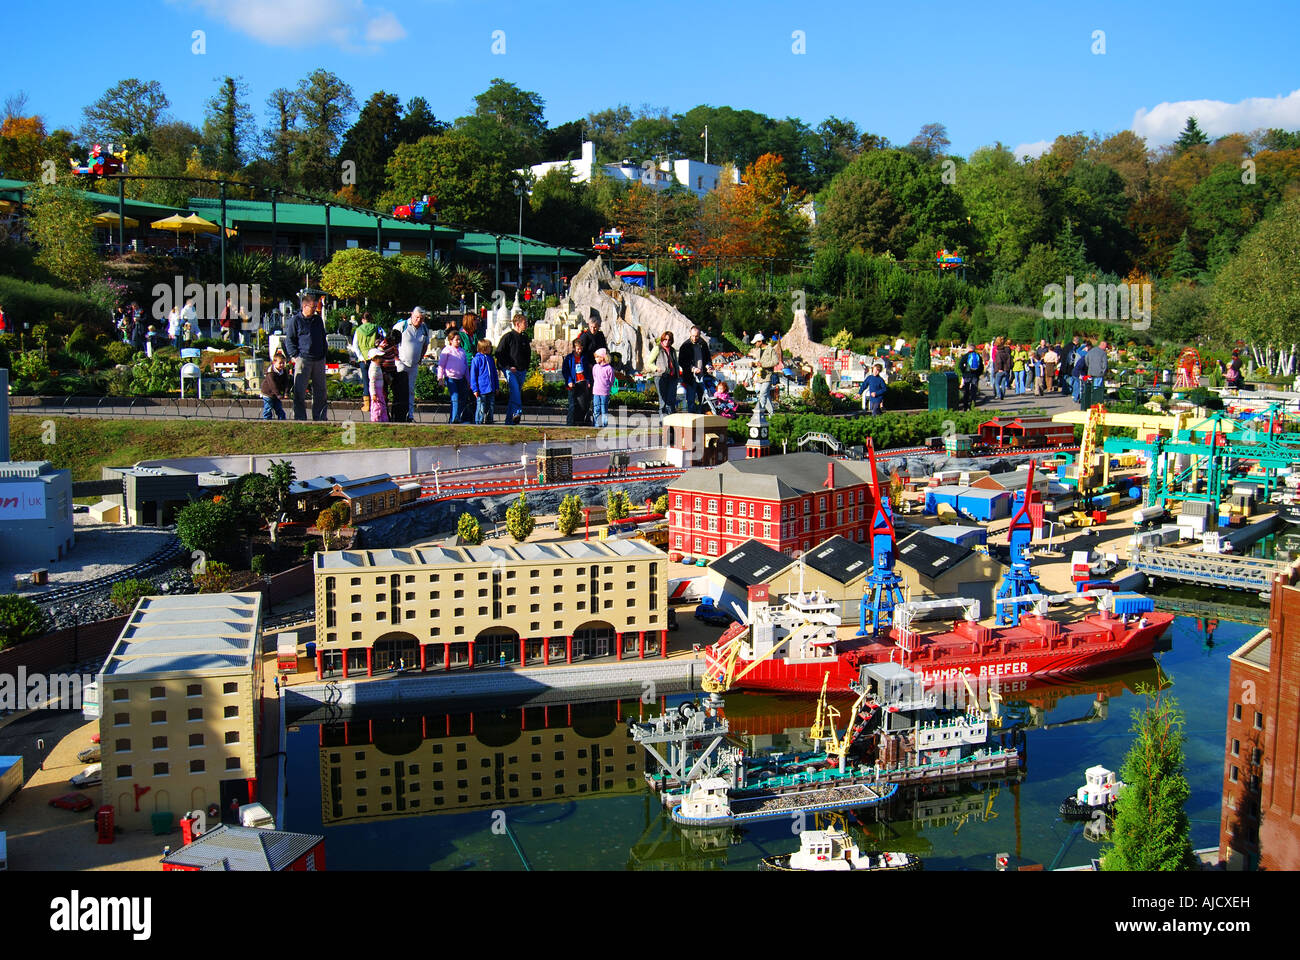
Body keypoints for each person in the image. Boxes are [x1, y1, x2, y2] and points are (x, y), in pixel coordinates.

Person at [284, 287, 330, 421]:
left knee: (320, 391)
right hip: (303, 359)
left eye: (316, 306)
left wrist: (324, 352)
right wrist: (295, 356)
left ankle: (320, 417)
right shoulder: (296, 320)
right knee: (299, 391)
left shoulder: (318, 320)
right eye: (313, 306)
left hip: (319, 359)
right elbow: (289, 340)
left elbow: (322, 337)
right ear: (304, 306)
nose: (315, 309)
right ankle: (300, 418)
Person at [495, 313, 532, 425]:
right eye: (524, 323)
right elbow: (499, 353)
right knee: (515, 391)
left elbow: (528, 354)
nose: (526, 325)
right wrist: (507, 367)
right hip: (510, 370)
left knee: (514, 395)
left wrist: (526, 366)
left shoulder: (525, 337)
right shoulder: (508, 337)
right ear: (517, 324)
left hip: (521, 370)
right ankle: (517, 412)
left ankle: (509, 421)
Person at [396, 306, 432, 423]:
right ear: (412, 315)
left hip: (414, 364)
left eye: (421, 319)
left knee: (411, 390)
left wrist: (420, 357)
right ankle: (399, 415)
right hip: (401, 362)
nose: (418, 321)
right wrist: (396, 358)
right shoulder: (402, 326)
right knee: (400, 390)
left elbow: (425, 344)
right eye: (417, 317)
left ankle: (409, 415)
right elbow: (392, 341)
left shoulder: (424, 328)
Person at [677, 325, 713, 413]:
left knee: (703, 400)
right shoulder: (685, 346)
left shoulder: (703, 344)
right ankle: (691, 420)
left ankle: (702, 419)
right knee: (691, 400)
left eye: (696, 336)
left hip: (702, 377)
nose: (694, 338)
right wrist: (692, 368)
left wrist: (708, 366)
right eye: (693, 336)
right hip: (690, 377)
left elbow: (708, 358)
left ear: (699, 335)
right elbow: (682, 362)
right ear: (690, 334)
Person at [350, 311, 381, 413]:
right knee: (375, 381)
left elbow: (355, 345)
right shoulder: (376, 327)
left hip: (363, 358)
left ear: (363, 320)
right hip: (374, 357)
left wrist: (360, 356)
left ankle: (367, 405)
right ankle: (375, 403)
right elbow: (382, 338)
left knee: (366, 382)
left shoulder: (358, 330)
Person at [436, 332, 469, 424]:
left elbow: (465, 367)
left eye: (459, 340)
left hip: (461, 378)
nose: (458, 341)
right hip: (451, 377)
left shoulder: (462, 351)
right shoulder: (447, 351)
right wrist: (440, 378)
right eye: (456, 340)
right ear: (451, 341)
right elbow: (441, 365)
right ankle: (455, 418)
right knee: (455, 397)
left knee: (462, 398)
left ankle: (458, 416)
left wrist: (468, 380)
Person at [647, 330, 680, 416]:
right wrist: (657, 369)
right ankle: (663, 422)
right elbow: (649, 363)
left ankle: (671, 422)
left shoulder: (672, 350)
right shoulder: (657, 348)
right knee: (663, 401)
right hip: (660, 377)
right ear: (662, 339)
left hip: (672, 378)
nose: (667, 341)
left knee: (671, 400)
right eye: (665, 339)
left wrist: (677, 375)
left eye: (669, 340)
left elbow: (675, 363)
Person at [749, 333, 781, 418]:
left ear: (760, 341)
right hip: (760, 376)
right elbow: (758, 363)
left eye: (756, 342)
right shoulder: (758, 351)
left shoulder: (770, 349)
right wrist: (754, 364)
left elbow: (775, 361)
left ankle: (759, 414)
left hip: (768, 376)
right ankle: (772, 414)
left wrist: (763, 364)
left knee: (763, 394)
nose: (755, 344)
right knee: (764, 395)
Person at [563, 336, 592, 425]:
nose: (579, 351)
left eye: (581, 349)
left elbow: (586, 370)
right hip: (573, 384)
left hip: (582, 382)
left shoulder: (583, 358)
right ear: (574, 348)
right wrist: (569, 381)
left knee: (583, 403)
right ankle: (570, 422)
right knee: (572, 404)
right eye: (578, 349)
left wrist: (588, 380)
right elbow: (565, 371)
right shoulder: (569, 358)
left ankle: (580, 421)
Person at [470, 339, 499, 424]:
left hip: (491, 387)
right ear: (484, 348)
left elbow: (494, 374)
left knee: (491, 405)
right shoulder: (476, 359)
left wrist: (496, 387)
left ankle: (489, 420)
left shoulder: (490, 359)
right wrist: (475, 389)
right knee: (481, 406)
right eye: (489, 347)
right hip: (482, 388)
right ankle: (478, 421)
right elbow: (473, 375)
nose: (491, 349)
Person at [260, 350, 291, 420]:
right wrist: (278, 394)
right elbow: (272, 385)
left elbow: (286, 382)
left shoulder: (284, 371)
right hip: (268, 393)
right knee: (268, 408)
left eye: (283, 363)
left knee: (279, 408)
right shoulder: (270, 372)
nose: (282, 365)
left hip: (277, 394)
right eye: (280, 363)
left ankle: (282, 420)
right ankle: (267, 421)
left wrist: (286, 392)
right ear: (274, 362)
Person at [591, 348, 615, 428]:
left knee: (604, 409)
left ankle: (604, 424)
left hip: (604, 392)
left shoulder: (609, 368)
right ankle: (597, 424)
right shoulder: (595, 367)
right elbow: (594, 377)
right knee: (596, 409)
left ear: (602, 357)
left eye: (597, 357)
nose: (595, 358)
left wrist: (607, 387)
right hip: (596, 392)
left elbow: (611, 380)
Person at [367, 347, 389, 422]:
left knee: (381, 405)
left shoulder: (377, 366)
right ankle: (376, 419)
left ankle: (383, 419)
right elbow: (372, 382)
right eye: (380, 357)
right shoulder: (374, 368)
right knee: (377, 406)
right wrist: (373, 394)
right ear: (375, 358)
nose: (382, 359)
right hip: (376, 390)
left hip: (379, 389)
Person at [958, 343, 983, 410]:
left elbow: (960, 365)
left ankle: (965, 406)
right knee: (973, 391)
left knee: (966, 391)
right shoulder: (978, 356)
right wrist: (978, 374)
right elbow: (981, 367)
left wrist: (964, 372)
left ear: (968, 348)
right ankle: (972, 406)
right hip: (975, 375)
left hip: (967, 375)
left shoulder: (966, 356)